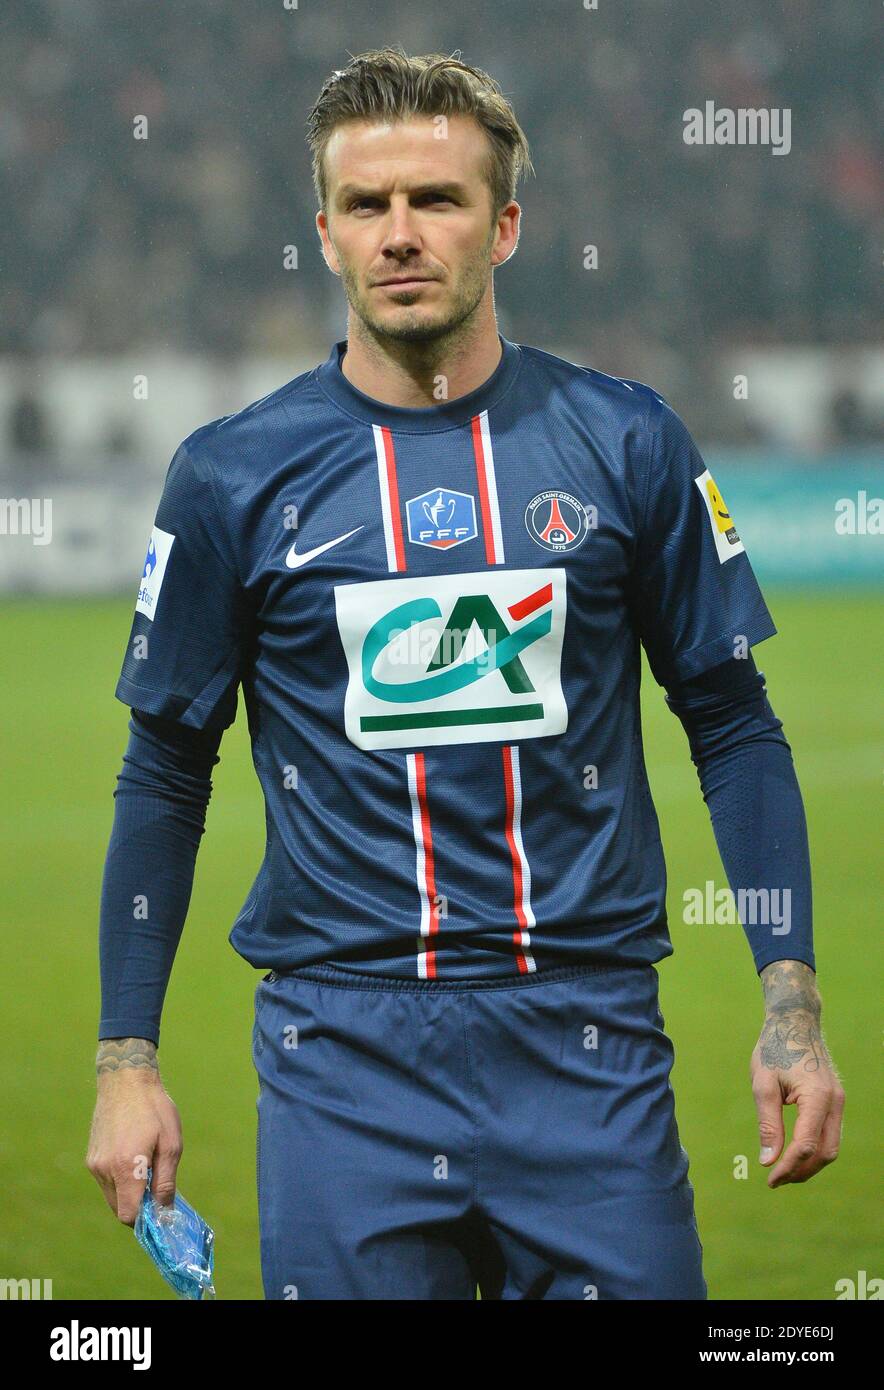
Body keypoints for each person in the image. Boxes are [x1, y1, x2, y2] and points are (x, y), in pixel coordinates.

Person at [87, 47, 844, 1300]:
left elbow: (731, 723)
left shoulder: (627, 442)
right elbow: (165, 769)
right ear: (322, 232)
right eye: (367, 205)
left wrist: (792, 1010)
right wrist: (126, 1058)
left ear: (502, 226)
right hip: (343, 1058)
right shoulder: (230, 477)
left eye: (434, 200)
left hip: (588, 1050)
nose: (399, 233)